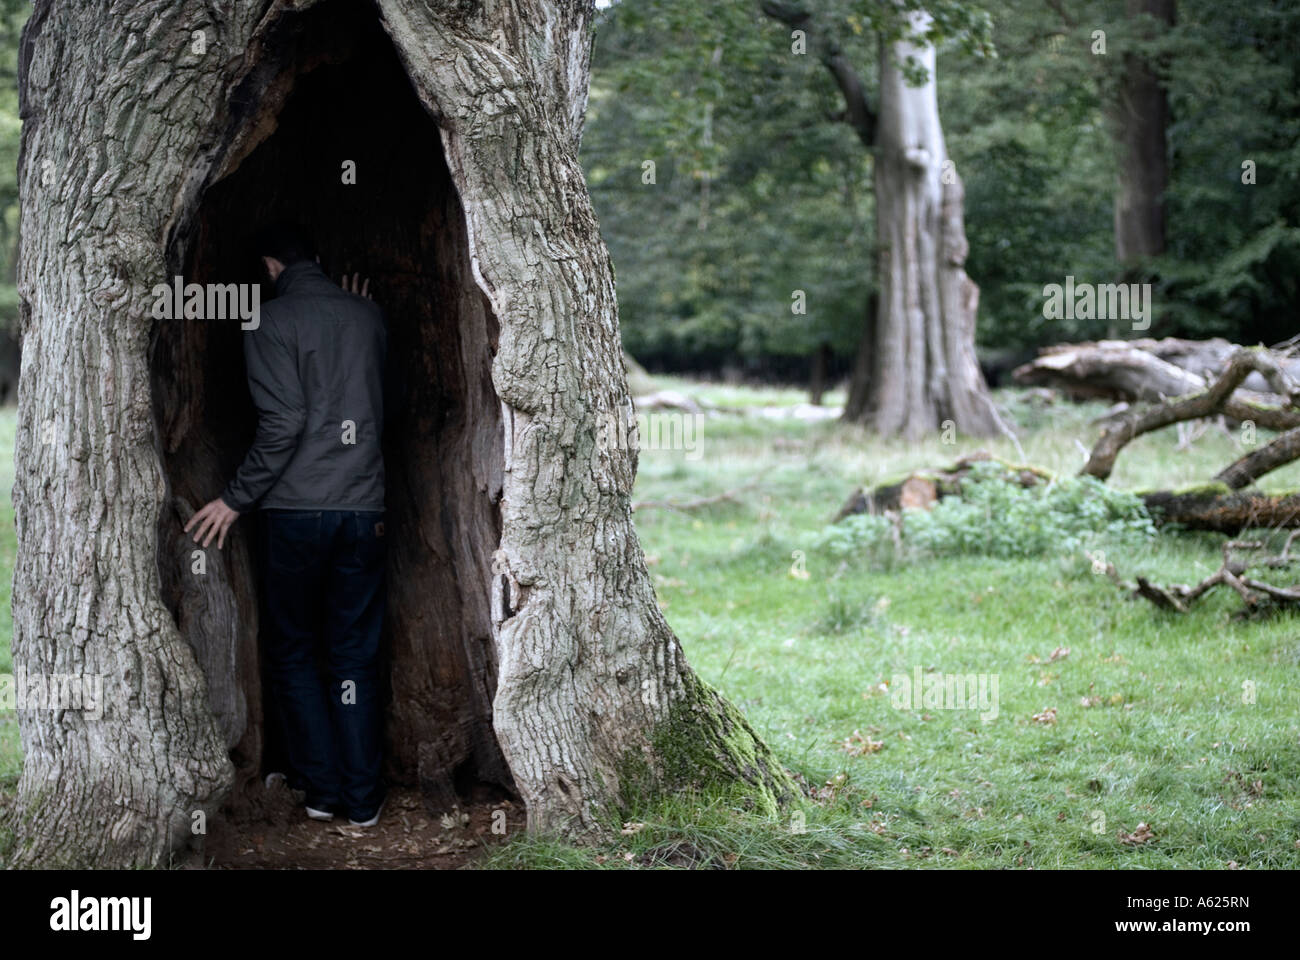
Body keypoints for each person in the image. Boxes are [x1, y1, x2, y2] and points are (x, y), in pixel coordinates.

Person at [185, 223, 388, 827]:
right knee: (353, 655)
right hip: (365, 513)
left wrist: (233, 499)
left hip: (297, 515)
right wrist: (363, 320)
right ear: (317, 260)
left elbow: (283, 424)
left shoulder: (268, 322)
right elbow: (390, 404)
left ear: (271, 267)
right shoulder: (369, 319)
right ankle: (363, 801)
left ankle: (323, 792)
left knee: (296, 652)